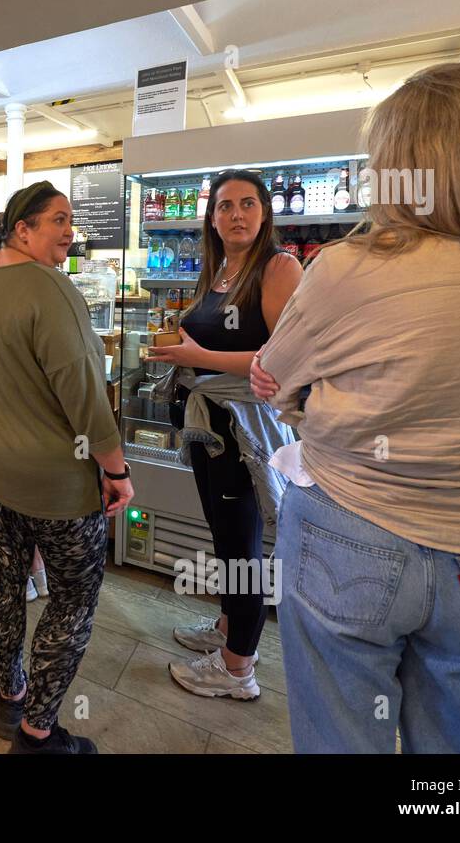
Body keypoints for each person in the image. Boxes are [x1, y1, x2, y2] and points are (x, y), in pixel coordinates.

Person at [250, 62, 460, 753]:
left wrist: (322, 416)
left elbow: (274, 383)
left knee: (342, 737)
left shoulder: (348, 267)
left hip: (348, 530)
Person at [0, 180, 132, 754]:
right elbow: (86, 396)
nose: (70, 231)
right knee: (73, 595)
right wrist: (115, 470)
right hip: (53, 481)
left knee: (3, 577)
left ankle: (11, 694)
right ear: (22, 229)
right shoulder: (50, 290)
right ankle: (38, 733)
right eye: (59, 220)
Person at [145, 170, 302, 700]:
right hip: (209, 424)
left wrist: (198, 356)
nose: (236, 214)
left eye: (248, 204)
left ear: (265, 213)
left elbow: (283, 358)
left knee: (241, 544)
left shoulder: (279, 268)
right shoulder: (218, 271)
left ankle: (238, 669)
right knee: (223, 531)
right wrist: (176, 345)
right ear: (211, 218)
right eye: (225, 206)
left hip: (244, 428)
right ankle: (231, 629)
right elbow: (207, 338)